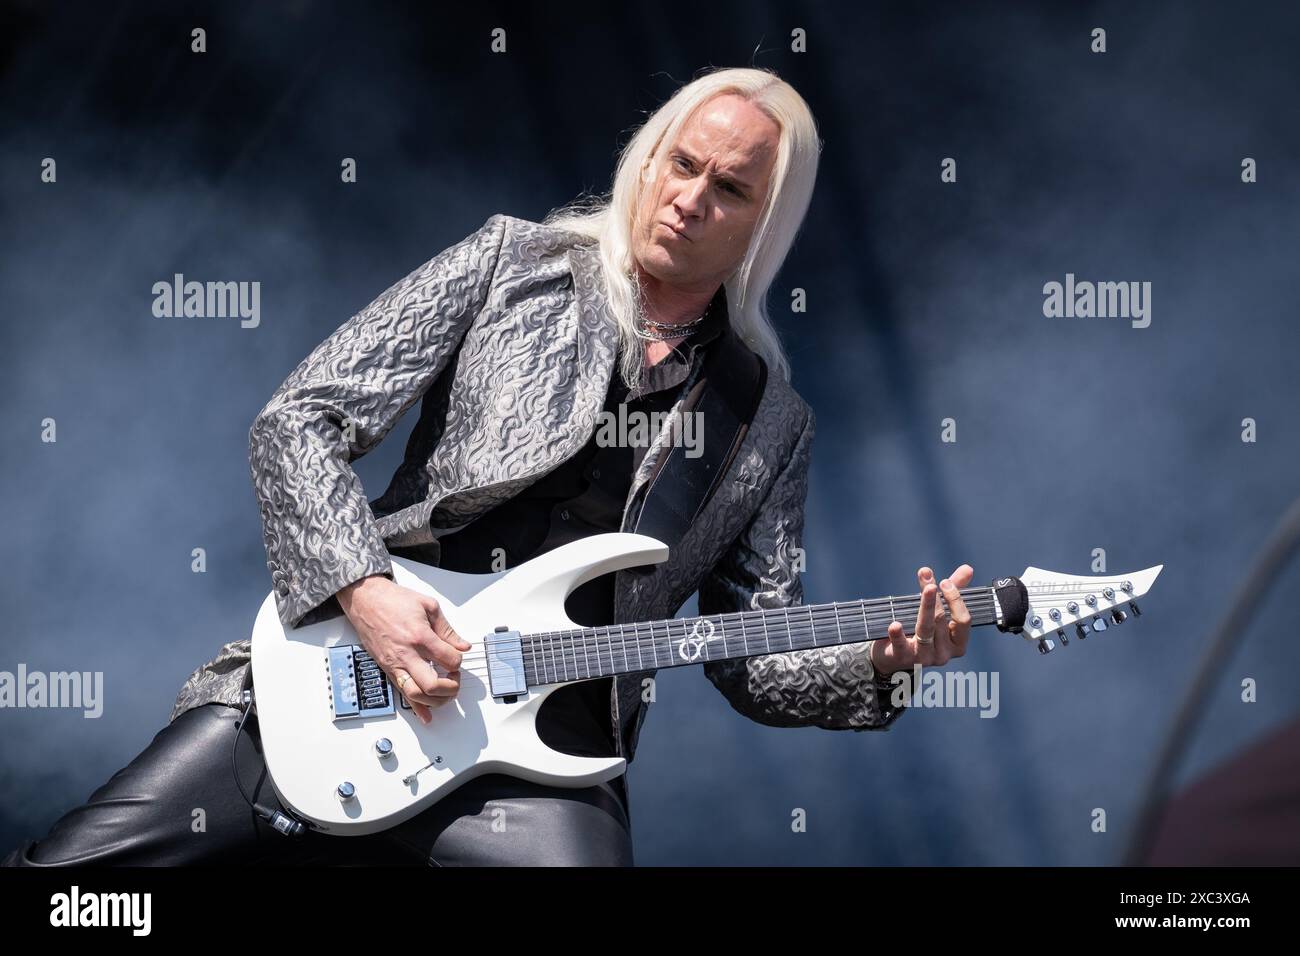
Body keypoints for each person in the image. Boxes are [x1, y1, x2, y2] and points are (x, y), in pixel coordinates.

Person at [2, 66, 974, 868]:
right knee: (73, 882)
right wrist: (365, 585)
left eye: (729, 189)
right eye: (682, 165)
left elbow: (751, 654)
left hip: (545, 752)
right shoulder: (513, 264)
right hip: (343, 671)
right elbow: (301, 419)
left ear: (764, 223)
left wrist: (882, 662)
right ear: (648, 160)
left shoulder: (767, 417)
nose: (689, 199)